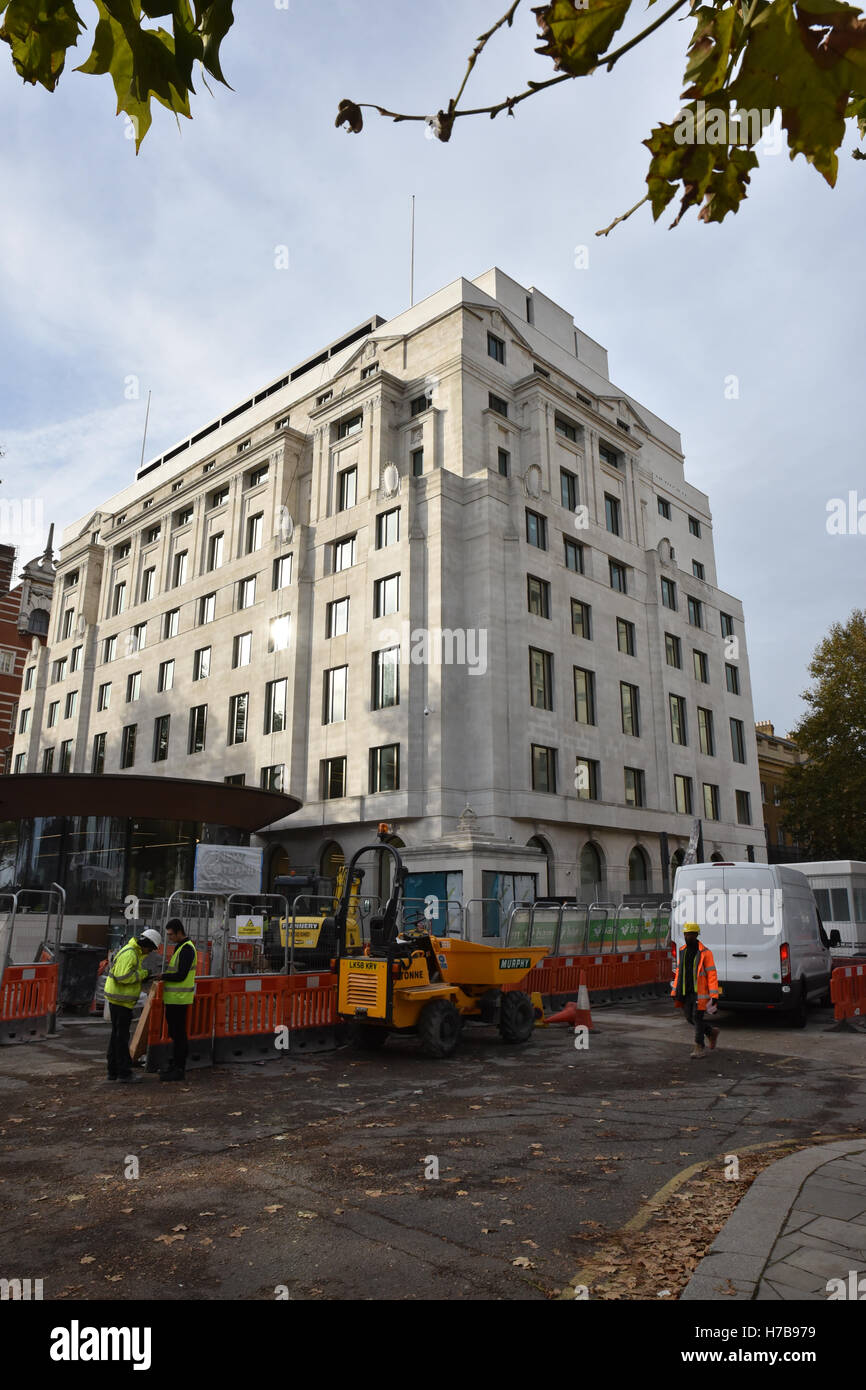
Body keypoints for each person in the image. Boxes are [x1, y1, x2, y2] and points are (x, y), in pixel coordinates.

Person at [103, 928, 162, 1083]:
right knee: (121, 1038)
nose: (150, 952)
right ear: (146, 944)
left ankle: (113, 1071)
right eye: (150, 949)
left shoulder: (133, 952)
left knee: (116, 1037)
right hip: (120, 1001)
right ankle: (123, 1073)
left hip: (119, 1001)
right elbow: (123, 976)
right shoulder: (130, 953)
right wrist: (143, 975)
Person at [672, 921, 720, 1059]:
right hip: (685, 992)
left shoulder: (705, 953)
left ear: (696, 935)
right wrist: (674, 991)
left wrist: (714, 994)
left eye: (691, 934)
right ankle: (711, 1032)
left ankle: (699, 1047)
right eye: (686, 934)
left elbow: (712, 974)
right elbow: (679, 973)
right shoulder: (682, 951)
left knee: (697, 1018)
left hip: (700, 994)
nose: (688, 937)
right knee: (689, 1018)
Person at [159, 918, 197, 1083]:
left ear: (179, 932)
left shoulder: (187, 949)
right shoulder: (181, 947)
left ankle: (179, 1069)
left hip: (179, 999)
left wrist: (163, 976)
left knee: (179, 1035)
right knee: (175, 1033)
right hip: (175, 998)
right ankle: (175, 1066)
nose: (169, 938)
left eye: (171, 934)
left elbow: (181, 974)